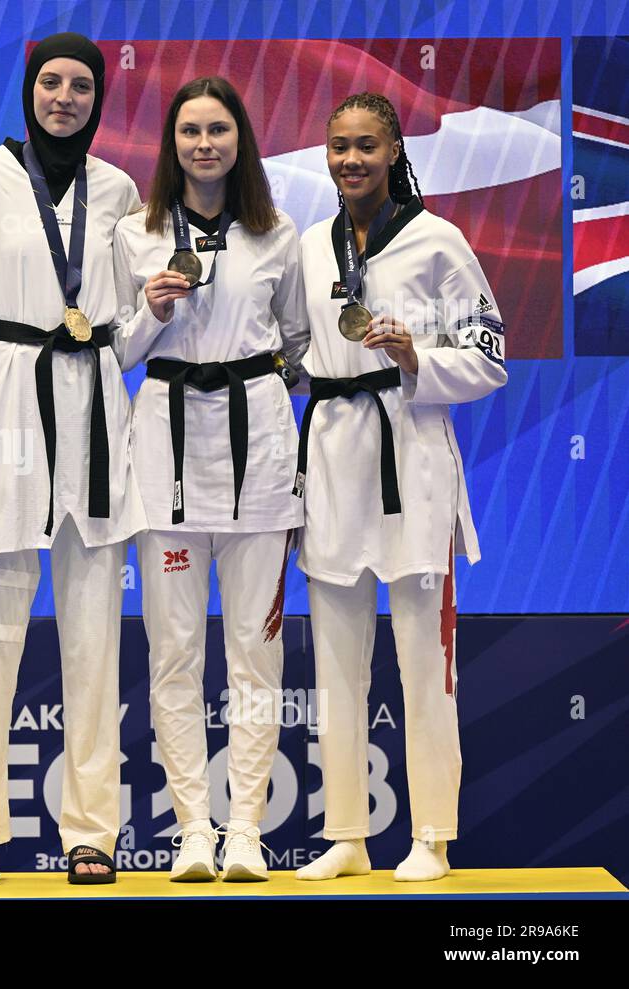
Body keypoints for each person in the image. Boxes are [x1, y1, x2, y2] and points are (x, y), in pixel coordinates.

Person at [0, 32, 146, 885]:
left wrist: (141, 326)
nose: (64, 97)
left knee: (95, 640)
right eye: (51, 83)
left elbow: (129, 322)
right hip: (4, 407)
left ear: (99, 98)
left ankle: (91, 831)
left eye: (81, 86)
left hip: (94, 407)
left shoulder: (122, 190)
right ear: (28, 90)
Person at [292, 93, 507, 882]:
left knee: (424, 659)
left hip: (411, 455)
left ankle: (432, 835)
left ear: (394, 151)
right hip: (334, 458)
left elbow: (489, 353)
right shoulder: (313, 247)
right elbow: (291, 345)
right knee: (336, 661)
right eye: (339, 146)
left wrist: (420, 357)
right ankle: (346, 833)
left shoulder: (439, 241)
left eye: (367, 147)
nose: (352, 160)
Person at [113, 77, 308, 882]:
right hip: (165, 453)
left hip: (258, 455)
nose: (204, 143)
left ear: (240, 140)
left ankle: (248, 829)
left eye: (218, 129)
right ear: (171, 142)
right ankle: (194, 825)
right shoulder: (134, 234)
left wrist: (255, 393)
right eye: (190, 129)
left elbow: (298, 345)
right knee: (175, 652)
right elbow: (114, 351)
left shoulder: (279, 233)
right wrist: (152, 314)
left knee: (256, 654)